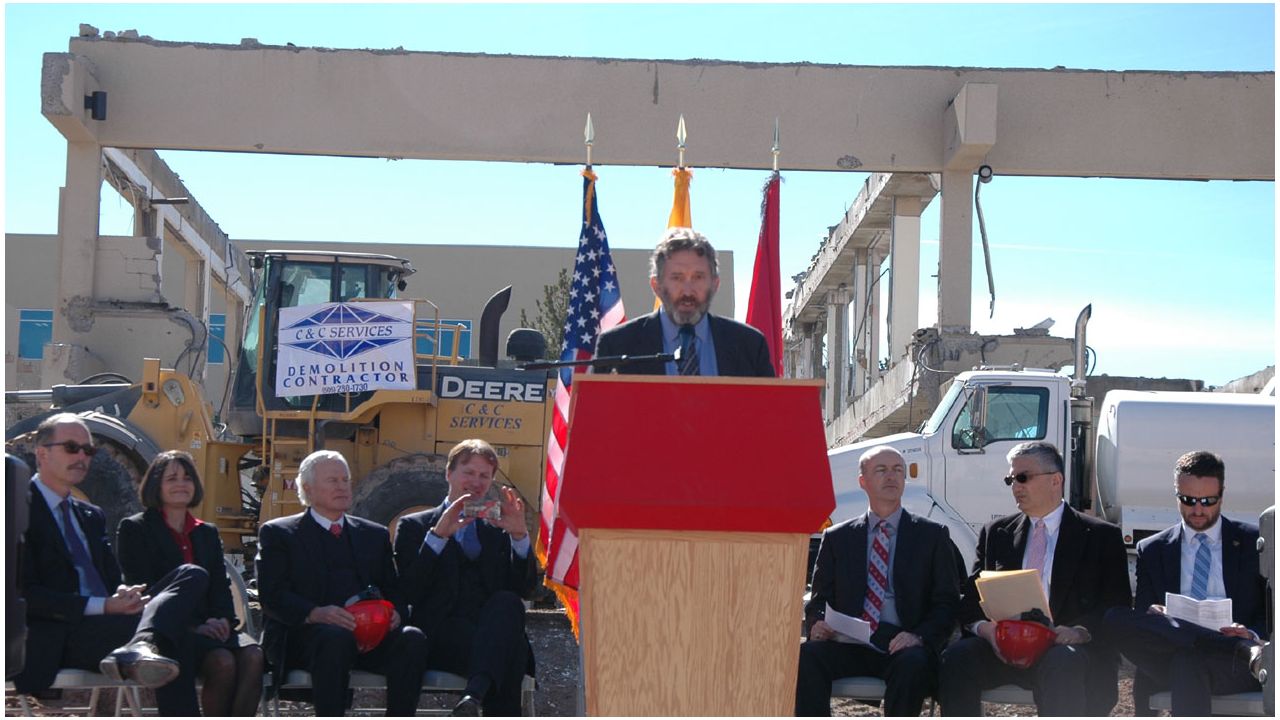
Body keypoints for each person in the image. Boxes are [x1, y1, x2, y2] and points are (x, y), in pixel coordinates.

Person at [11, 414, 210, 715]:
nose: (82, 457)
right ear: (41, 453)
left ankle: (143, 642)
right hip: (57, 632)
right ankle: (145, 642)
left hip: (110, 623)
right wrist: (104, 607)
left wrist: (124, 596)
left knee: (190, 574)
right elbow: (25, 595)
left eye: (88, 451)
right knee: (177, 642)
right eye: (71, 448)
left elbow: (109, 580)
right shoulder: (15, 507)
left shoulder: (90, 515)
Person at [938, 441, 1131, 716]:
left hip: (1067, 651)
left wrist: (1079, 631)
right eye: (1011, 479)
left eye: (1023, 477)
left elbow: (1116, 606)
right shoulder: (997, 533)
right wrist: (986, 630)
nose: (1016, 486)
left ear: (1056, 480)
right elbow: (971, 600)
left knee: (1063, 663)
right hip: (1005, 647)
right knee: (957, 658)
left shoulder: (1100, 536)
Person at [255, 450, 428, 716]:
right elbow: (272, 596)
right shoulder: (280, 534)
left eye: (345, 480)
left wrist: (395, 612)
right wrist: (315, 613)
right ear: (307, 489)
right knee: (335, 639)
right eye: (332, 480)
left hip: (369, 634)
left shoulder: (374, 535)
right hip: (307, 635)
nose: (342, 486)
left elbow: (394, 590)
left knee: (411, 639)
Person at [797, 446, 961, 716]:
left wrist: (918, 636)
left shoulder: (932, 536)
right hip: (850, 642)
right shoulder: (838, 538)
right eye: (881, 470)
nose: (891, 477)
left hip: (903, 645)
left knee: (914, 665)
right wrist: (817, 624)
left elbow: (947, 602)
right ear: (863, 481)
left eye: (898, 470)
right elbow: (819, 600)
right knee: (807, 658)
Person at [1103, 450, 1266, 716]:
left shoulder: (1253, 542)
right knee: (1114, 618)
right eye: (1189, 500)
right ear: (1176, 494)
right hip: (1176, 652)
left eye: (1208, 500)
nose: (1198, 509)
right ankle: (1228, 644)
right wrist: (1155, 612)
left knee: (1187, 661)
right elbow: (1145, 613)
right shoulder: (1153, 549)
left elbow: (1270, 610)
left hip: (1236, 664)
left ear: (1222, 496)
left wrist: (1251, 634)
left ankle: (1235, 645)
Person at [395, 439, 537, 717]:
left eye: (484, 476)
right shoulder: (414, 526)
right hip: (441, 638)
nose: (476, 481)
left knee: (508, 603)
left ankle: (473, 696)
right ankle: (476, 694)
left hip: (488, 633)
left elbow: (526, 590)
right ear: (449, 474)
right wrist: (436, 539)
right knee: (512, 651)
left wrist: (519, 537)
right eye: (469, 473)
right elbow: (409, 591)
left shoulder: (497, 529)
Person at [116, 450, 265, 716]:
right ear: (155, 485)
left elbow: (220, 586)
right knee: (223, 662)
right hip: (172, 631)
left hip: (213, 627)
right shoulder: (135, 529)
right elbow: (146, 590)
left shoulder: (206, 532)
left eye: (187, 478)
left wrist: (222, 619)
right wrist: (196, 626)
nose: (181, 484)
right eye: (172, 478)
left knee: (254, 655)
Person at [593, 226, 775, 377]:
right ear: (656, 285)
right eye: (677, 278)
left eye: (698, 277)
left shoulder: (749, 345)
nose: (688, 291)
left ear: (715, 284)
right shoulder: (616, 346)